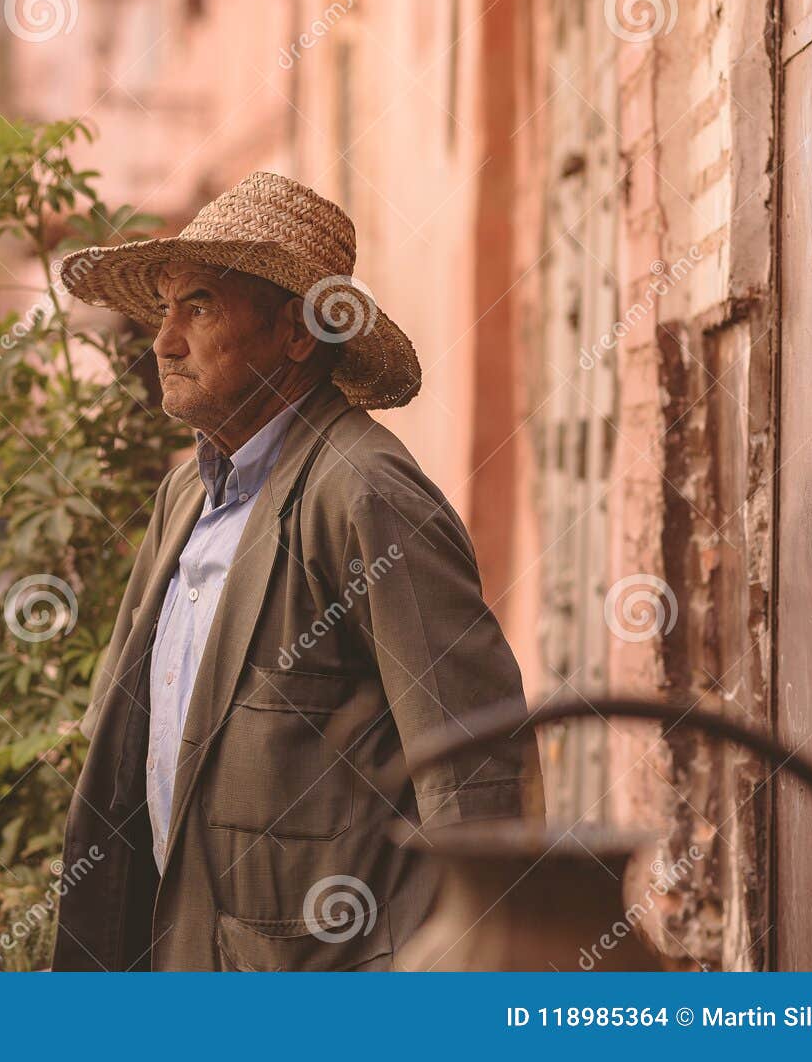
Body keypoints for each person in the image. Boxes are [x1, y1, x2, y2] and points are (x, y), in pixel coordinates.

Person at [51, 171, 540, 970]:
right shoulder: (186, 492)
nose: (164, 341)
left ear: (297, 334)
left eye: (200, 306)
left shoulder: (362, 490)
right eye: (165, 309)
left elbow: (473, 763)